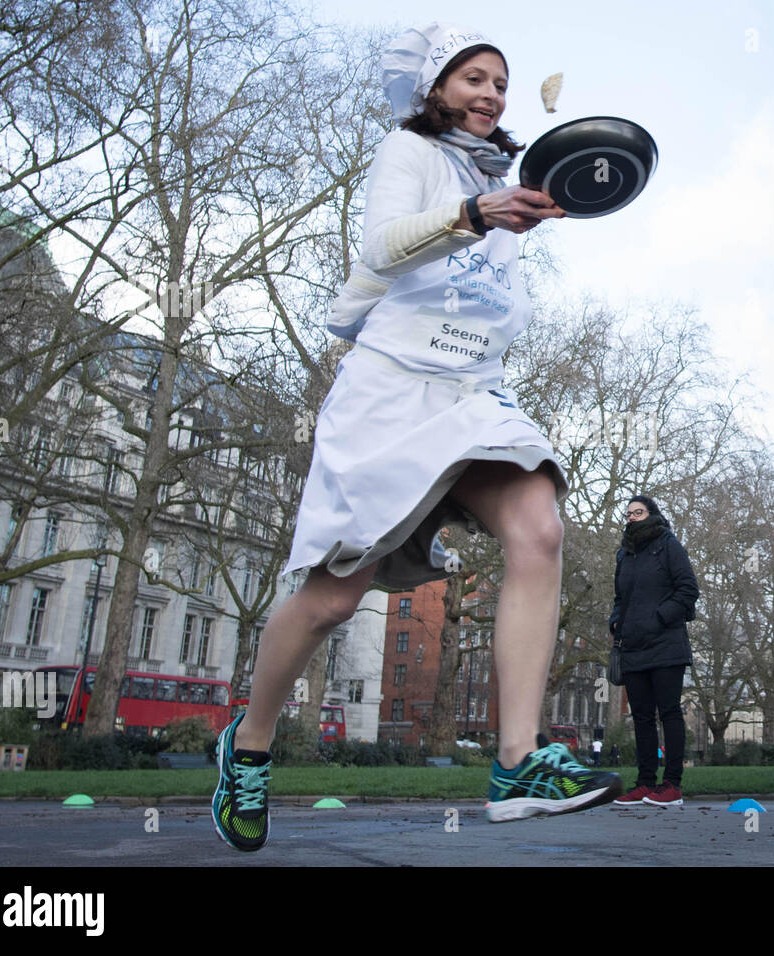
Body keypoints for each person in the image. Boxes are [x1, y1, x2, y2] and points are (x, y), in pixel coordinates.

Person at [211, 22, 623, 851]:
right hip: (393, 393)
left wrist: (503, 213)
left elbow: (478, 286)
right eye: (473, 77)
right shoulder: (407, 153)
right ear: (436, 88)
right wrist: (475, 213)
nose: (492, 94)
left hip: (474, 394)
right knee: (331, 597)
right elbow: (383, 246)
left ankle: (515, 763)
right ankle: (248, 741)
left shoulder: (500, 183)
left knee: (540, 526)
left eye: (500, 83)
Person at [610, 495, 699, 808]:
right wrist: (616, 622)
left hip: (666, 645)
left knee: (669, 713)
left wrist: (659, 617)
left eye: (639, 512)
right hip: (633, 647)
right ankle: (645, 783)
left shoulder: (668, 545)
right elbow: (620, 598)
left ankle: (671, 785)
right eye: (629, 513)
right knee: (642, 717)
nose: (632, 517)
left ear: (652, 514)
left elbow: (689, 590)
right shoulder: (626, 553)